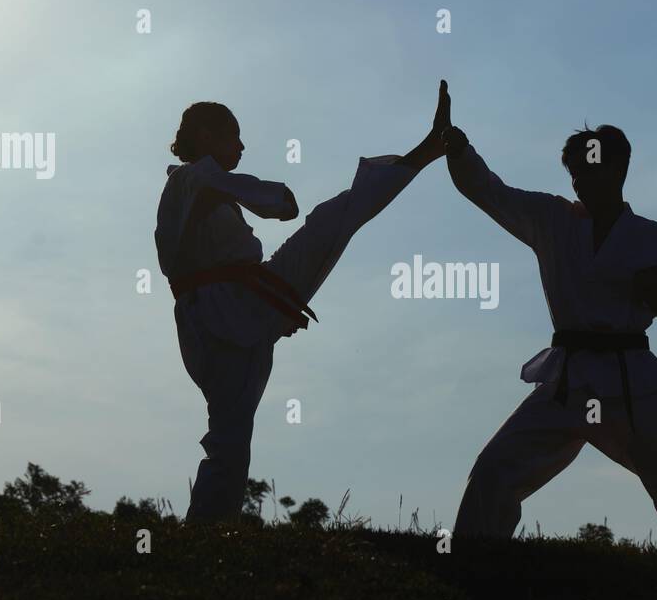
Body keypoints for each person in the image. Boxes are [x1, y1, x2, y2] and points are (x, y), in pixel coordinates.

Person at [157, 81, 452, 521]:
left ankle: (211, 525)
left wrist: (270, 301)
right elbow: (280, 204)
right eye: (232, 136)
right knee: (230, 433)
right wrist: (271, 202)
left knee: (233, 431)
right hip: (222, 308)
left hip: (238, 303)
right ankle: (206, 526)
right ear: (204, 136)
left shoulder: (205, 186)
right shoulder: (193, 178)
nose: (241, 145)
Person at [442, 111, 657, 550]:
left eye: (587, 170)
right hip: (567, 383)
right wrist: (457, 148)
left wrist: (655, 298)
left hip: (634, 385)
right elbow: (489, 191)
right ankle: (473, 558)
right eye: (573, 173)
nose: (577, 182)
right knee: (495, 468)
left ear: (617, 169)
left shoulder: (653, 238)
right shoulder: (551, 220)